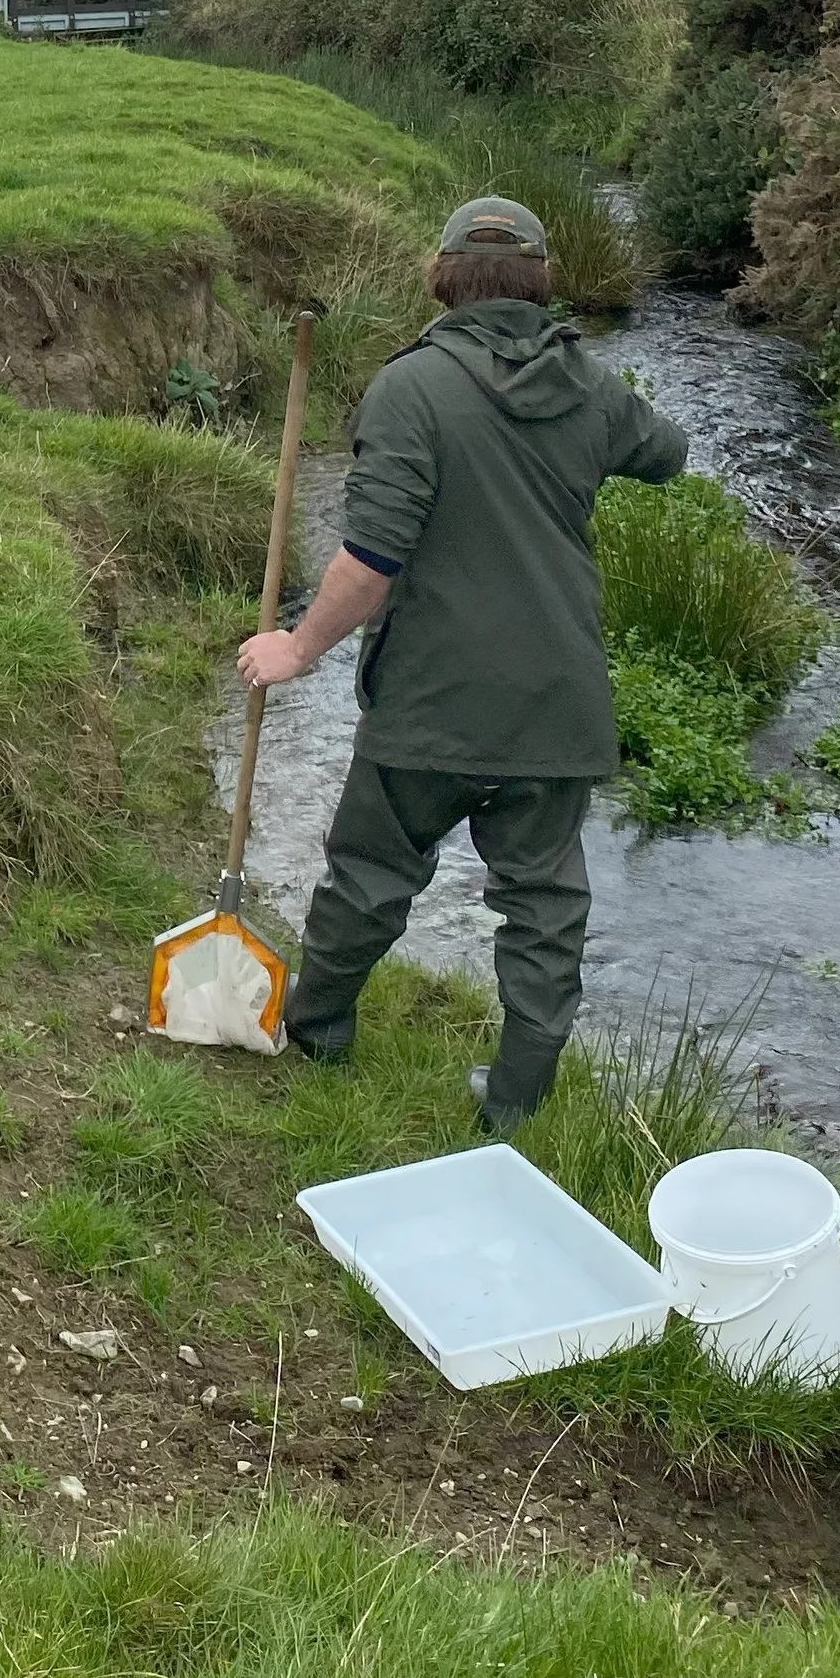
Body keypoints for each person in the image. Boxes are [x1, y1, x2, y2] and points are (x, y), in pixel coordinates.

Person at [236, 196, 688, 1130]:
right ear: (540, 280)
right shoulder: (590, 386)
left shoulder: (411, 388)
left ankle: (316, 1038)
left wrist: (298, 645)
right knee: (544, 908)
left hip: (431, 701)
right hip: (557, 702)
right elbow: (669, 453)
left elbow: (370, 561)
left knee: (368, 872)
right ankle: (516, 1102)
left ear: (441, 275)